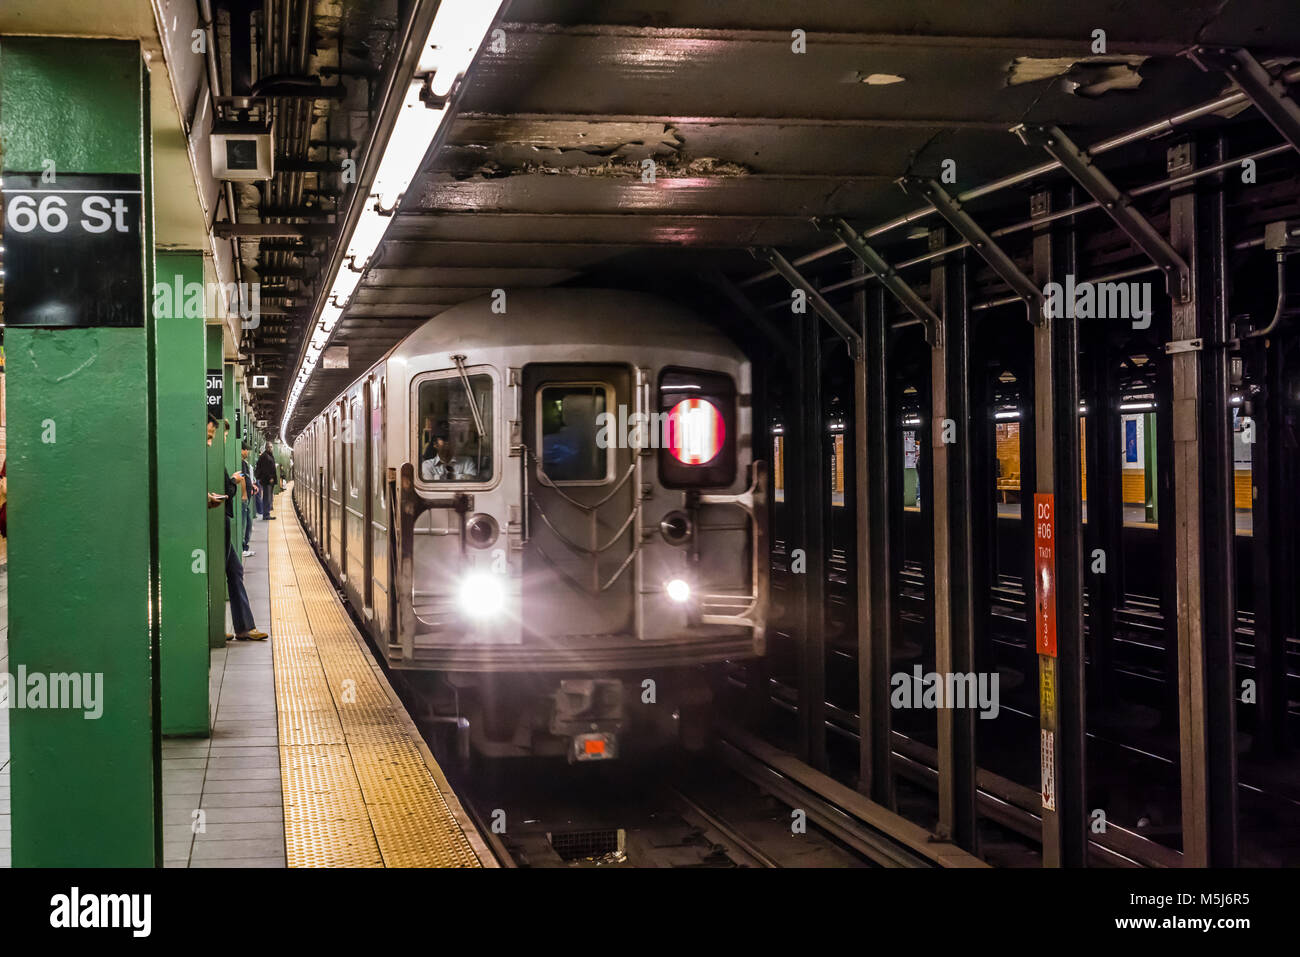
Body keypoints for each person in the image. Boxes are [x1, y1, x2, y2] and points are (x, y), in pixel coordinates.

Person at [208, 416, 267, 641]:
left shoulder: (215, 460)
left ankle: (244, 627)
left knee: (235, 571)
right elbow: (226, 488)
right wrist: (233, 482)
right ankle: (215, 627)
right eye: (219, 435)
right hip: (217, 522)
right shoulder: (212, 461)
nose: (221, 440)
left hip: (221, 521)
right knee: (217, 574)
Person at [240, 442, 258, 557]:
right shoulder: (241, 463)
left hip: (246, 496)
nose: (248, 452)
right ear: (242, 450)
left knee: (248, 522)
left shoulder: (244, 463)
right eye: (246, 450)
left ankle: (245, 547)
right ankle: (243, 548)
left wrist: (251, 486)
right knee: (244, 523)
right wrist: (244, 494)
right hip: (244, 498)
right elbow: (242, 478)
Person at [255, 442, 278, 520]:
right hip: (267, 481)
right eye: (269, 447)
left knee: (268, 497)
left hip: (268, 481)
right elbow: (265, 469)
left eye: (271, 447)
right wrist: (270, 477)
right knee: (267, 498)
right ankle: (266, 515)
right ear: (266, 448)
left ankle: (267, 513)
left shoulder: (268, 455)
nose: (271, 448)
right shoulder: (265, 456)